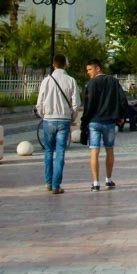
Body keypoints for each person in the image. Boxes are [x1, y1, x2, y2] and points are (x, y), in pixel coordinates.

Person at [34, 54, 79, 193]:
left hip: (48, 120)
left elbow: (39, 103)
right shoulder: (71, 80)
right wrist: (72, 117)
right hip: (64, 120)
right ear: (65, 64)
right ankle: (56, 185)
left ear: (54, 65)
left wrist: (43, 114)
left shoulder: (46, 81)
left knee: (48, 151)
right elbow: (76, 104)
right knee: (60, 152)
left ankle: (48, 182)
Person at [83, 59, 126, 191]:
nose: (88, 73)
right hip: (109, 121)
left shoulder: (91, 84)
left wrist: (85, 120)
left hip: (94, 121)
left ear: (98, 68)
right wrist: (121, 116)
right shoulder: (113, 81)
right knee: (109, 150)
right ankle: (108, 179)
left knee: (94, 151)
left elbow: (88, 104)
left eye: (90, 70)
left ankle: (95, 182)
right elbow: (122, 99)